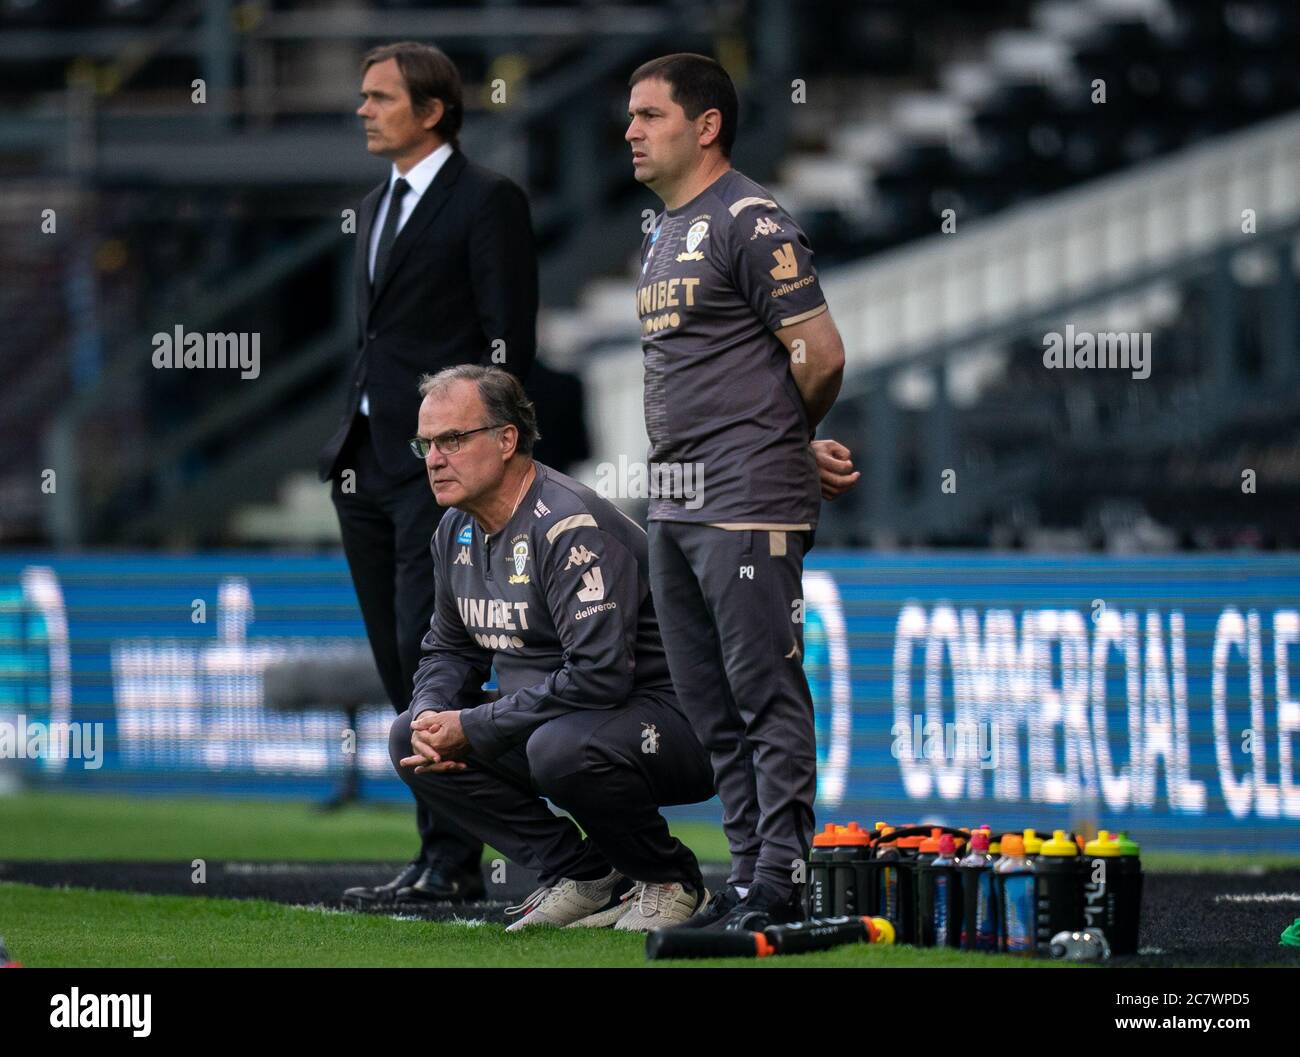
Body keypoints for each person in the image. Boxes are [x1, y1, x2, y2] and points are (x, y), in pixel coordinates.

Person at [624, 53, 856, 929]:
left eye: (650, 115)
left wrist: (780, 441)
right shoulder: (658, 232)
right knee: (710, 705)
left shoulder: (751, 219)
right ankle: (750, 868)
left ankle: (783, 879)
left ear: (706, 125)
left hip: (745, 496)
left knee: (764, 692)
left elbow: (821, 352)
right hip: (675, 496)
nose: (631, 132)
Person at [317, 41, 538, 906]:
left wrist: (486, 454)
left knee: (429, 658)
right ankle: (438, 851)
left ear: (433, 109)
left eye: (379, 97)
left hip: (439, 471)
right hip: (366, 463)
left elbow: (507, 339)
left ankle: (458, 857)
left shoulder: (489, 201)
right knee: (394, 659)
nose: (364, 110)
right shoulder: (372, 206)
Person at [389, 365, 717, 931]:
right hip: (563, 722)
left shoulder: (569, 525)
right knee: (408, 738)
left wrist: (474, 725)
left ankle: (671, 880)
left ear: (507, 438)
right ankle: (585, 874)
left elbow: (598, 678)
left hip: (678, 724)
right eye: (427, 444)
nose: (435, 459)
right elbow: (448, 649)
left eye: (453, 440)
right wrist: (429, 713)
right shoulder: (454, 530)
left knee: (558, 749)